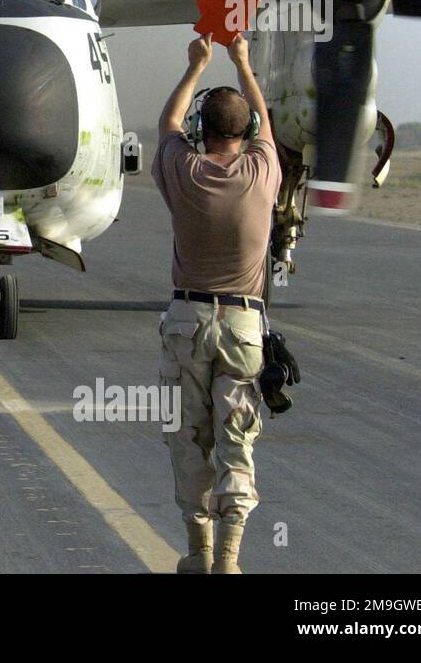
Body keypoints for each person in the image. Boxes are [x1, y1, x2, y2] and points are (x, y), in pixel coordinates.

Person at [151, 33, 281, 573]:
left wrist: (195, 67)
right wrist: (242, 63)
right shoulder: (261, 173)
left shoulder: (185, 172)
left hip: (187, 320)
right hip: (243, 327)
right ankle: (229, 559)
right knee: (236, 439)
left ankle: (198, 553)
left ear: (203, 132)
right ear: (247, 131)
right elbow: (267, 129)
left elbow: (168, 126)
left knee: (187, 437)